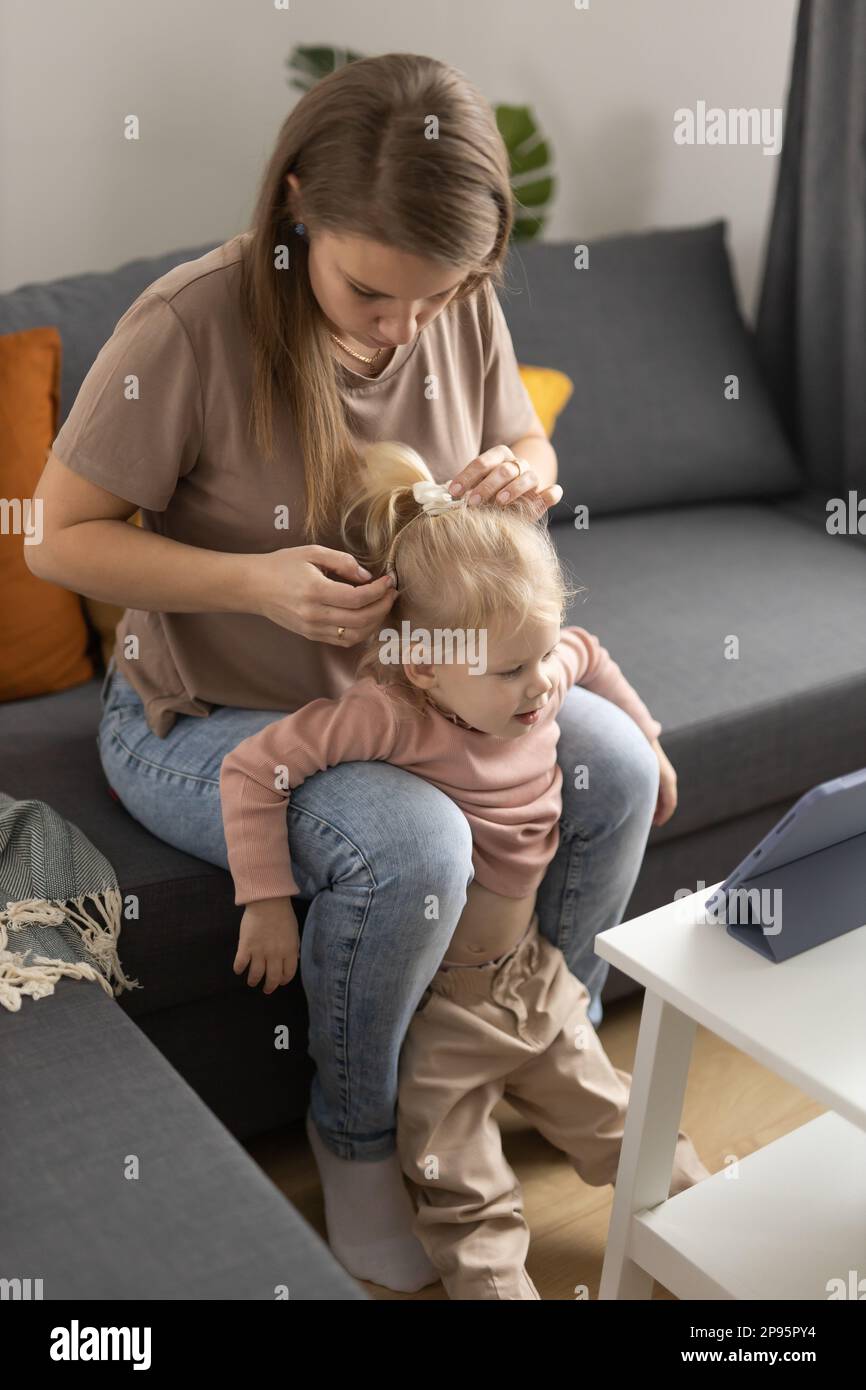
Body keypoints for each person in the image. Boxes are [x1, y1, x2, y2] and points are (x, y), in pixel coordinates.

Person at [29, 53, 673, 1294]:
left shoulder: (444, 300)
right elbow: (53, 533)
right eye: (372, 294)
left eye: (438, 299)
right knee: (412, 843)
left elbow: (517, 429)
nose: (403, 329)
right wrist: (258, 582)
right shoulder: (188, 323)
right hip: (209, 712)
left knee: (604, 763)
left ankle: (532, 1042)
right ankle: (361, 1141)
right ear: (295, 213)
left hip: (417, 693)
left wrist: (530, 467)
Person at [218, 442, 710, 1300]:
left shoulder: (541, 673)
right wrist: (266, 901)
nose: (540, 689)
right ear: (425, 667)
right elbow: (254, 770)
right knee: (473, 1201)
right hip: (441, 1021)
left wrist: (649, 739)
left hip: (534, 982)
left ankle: (725, 1244)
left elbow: (586, 653)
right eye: (510, 671)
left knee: (635, 1128)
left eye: (538, 655)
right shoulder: (387, 716)